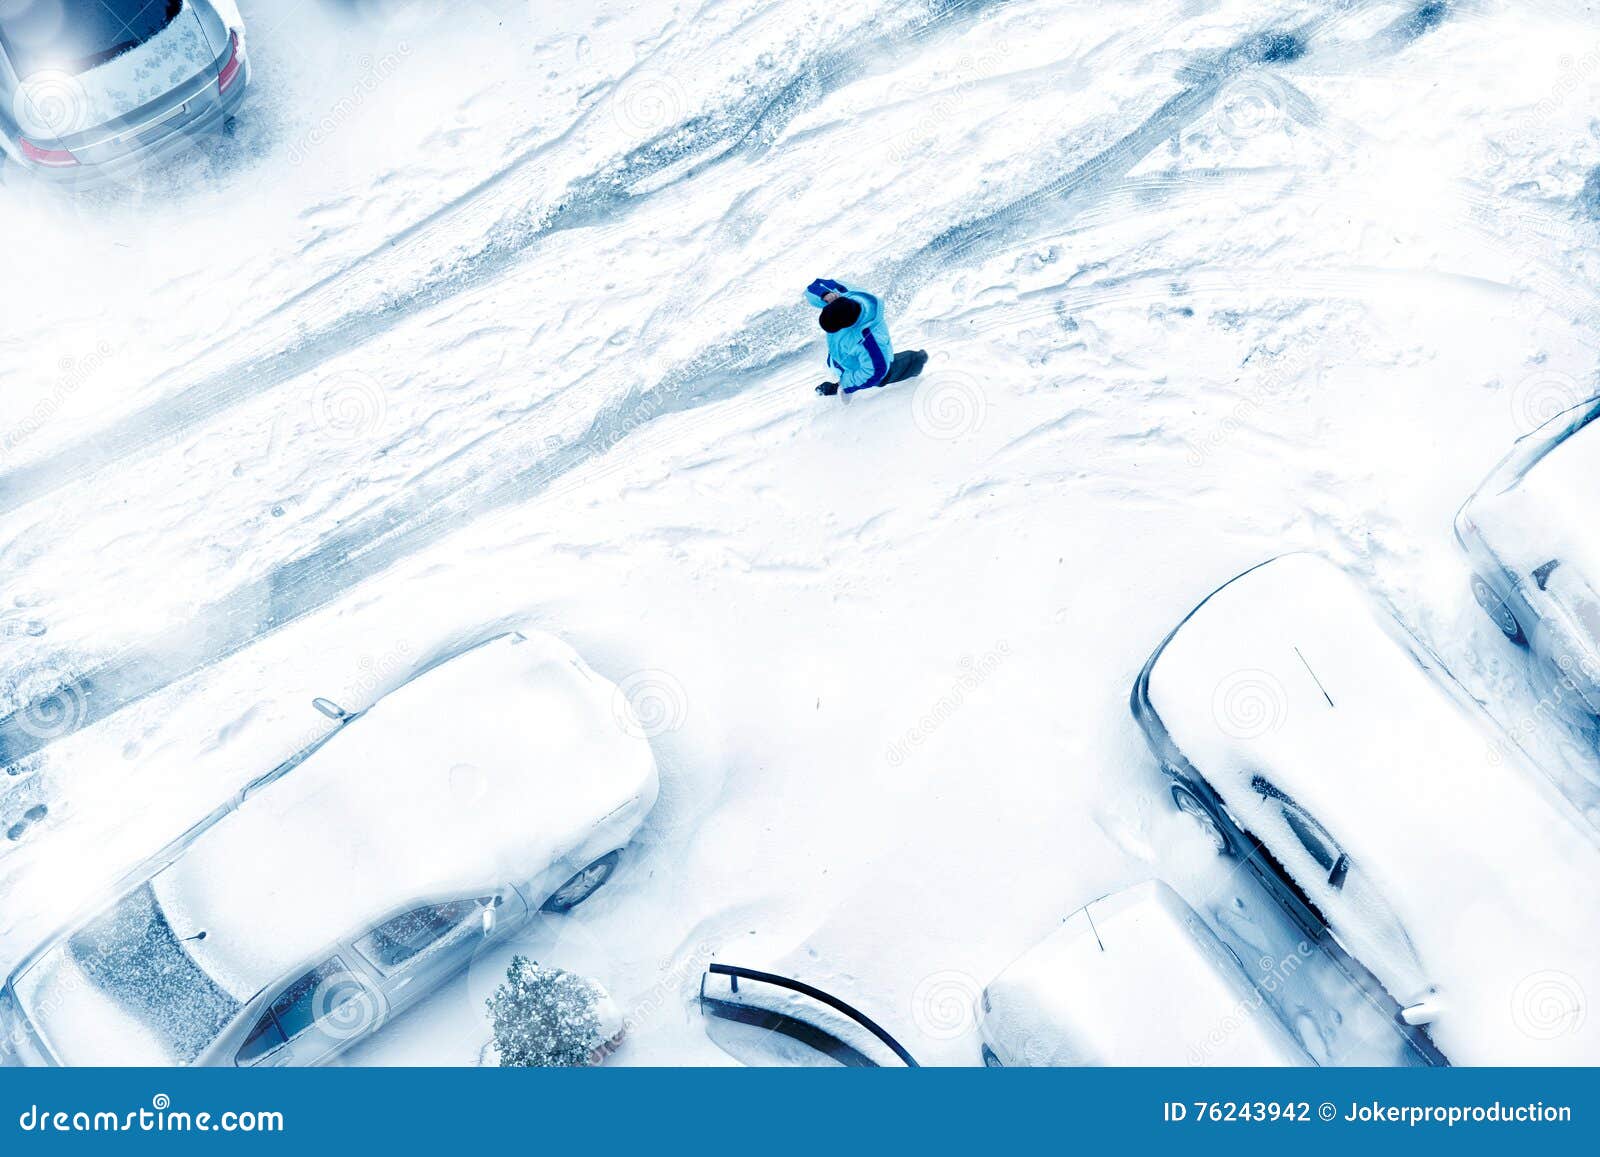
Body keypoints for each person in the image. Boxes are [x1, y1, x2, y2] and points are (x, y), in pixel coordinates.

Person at [804, 278, 927, 397]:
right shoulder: (842, 295)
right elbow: (815, 285)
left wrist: (841, 386)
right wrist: (824, 294)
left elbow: (876, 371)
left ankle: (917, 361)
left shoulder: (869, 340)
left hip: (860, 366)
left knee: (883, 376)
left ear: (847, 326)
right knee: (868, 360)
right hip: (843, 355)